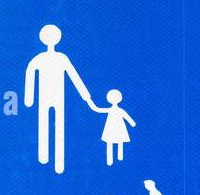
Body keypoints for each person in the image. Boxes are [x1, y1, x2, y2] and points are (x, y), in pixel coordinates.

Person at [23, 24, 97, 175]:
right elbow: (75, 78)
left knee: (48, 123)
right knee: (54, 125)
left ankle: (47, 158)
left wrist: (28, 99)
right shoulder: (56, 58)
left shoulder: (45, 58)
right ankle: (51, 159)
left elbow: (74, 78)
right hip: (51, 97)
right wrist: (87, 97)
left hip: (53, 97)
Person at [92, 88, 135, 166]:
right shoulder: (116, 110)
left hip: (116, 128)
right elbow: (97, 109)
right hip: (112, 128)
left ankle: (115, 159)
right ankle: (115, 159)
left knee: (115, 142)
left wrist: (132, 123)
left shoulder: (117, 110)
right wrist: (132, 123)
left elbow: (97, 109)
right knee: (114, 142)